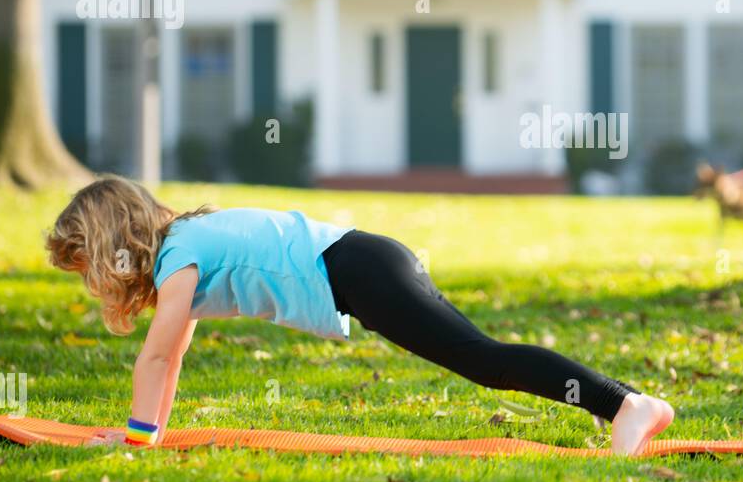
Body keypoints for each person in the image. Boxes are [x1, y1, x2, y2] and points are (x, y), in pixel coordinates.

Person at [44, 176, 674, 456]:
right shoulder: (188, 247)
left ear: (113, 243)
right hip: (367, 264)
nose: (92, 282)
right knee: (484, 353)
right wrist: (144, 434)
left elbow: (156, 356)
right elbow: (171, 356)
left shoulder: (180, 254)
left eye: (87, 265)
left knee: (484, 361)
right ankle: (605, 402)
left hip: (363, 270)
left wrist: (133, 440)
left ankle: (625, 404)